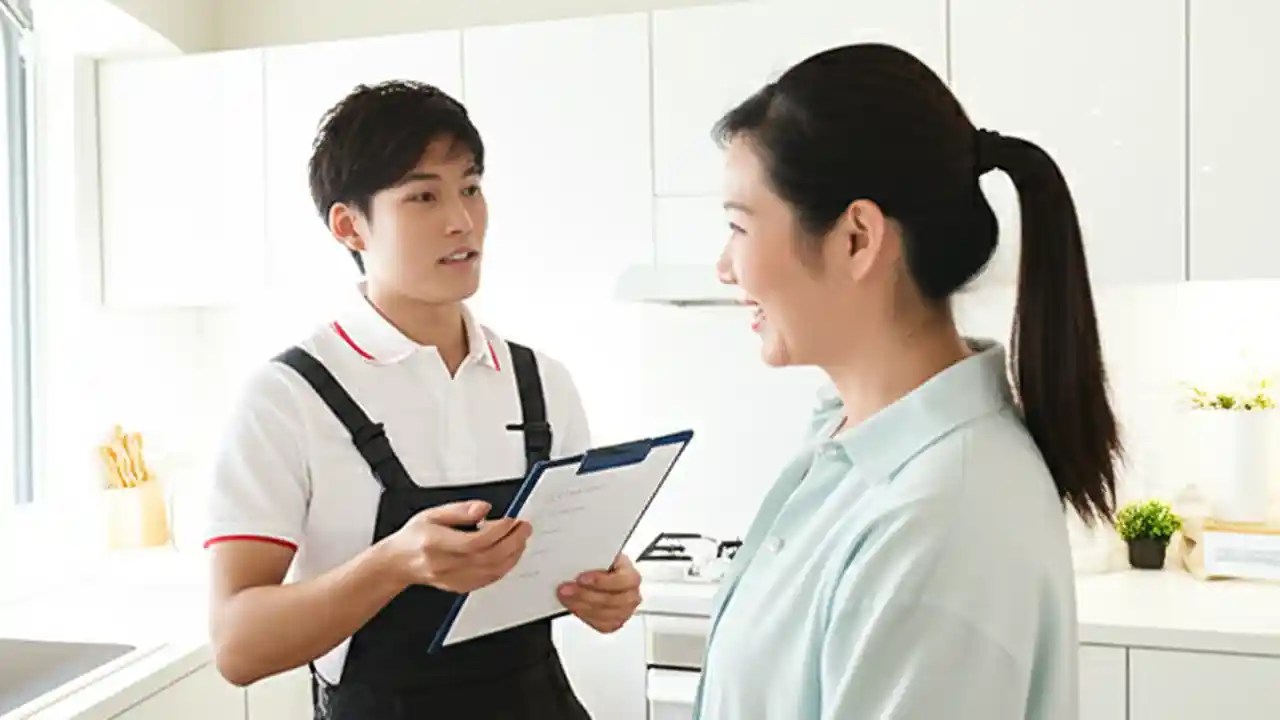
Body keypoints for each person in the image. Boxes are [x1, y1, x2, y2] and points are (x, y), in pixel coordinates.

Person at [695, 43, 1122, 719]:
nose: (724, 267)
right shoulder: (856, 445)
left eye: (738, 228)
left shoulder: (938, 520)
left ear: (857, 237)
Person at [204, 80, 642, 720]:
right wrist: (392, 564)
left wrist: (607, 589)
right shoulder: (286, 398)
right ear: (350, 225)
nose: (461, 220)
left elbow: (573, 559)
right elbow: (238, 647)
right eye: (423, 196)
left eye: (470, 187)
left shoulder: (542, 382)